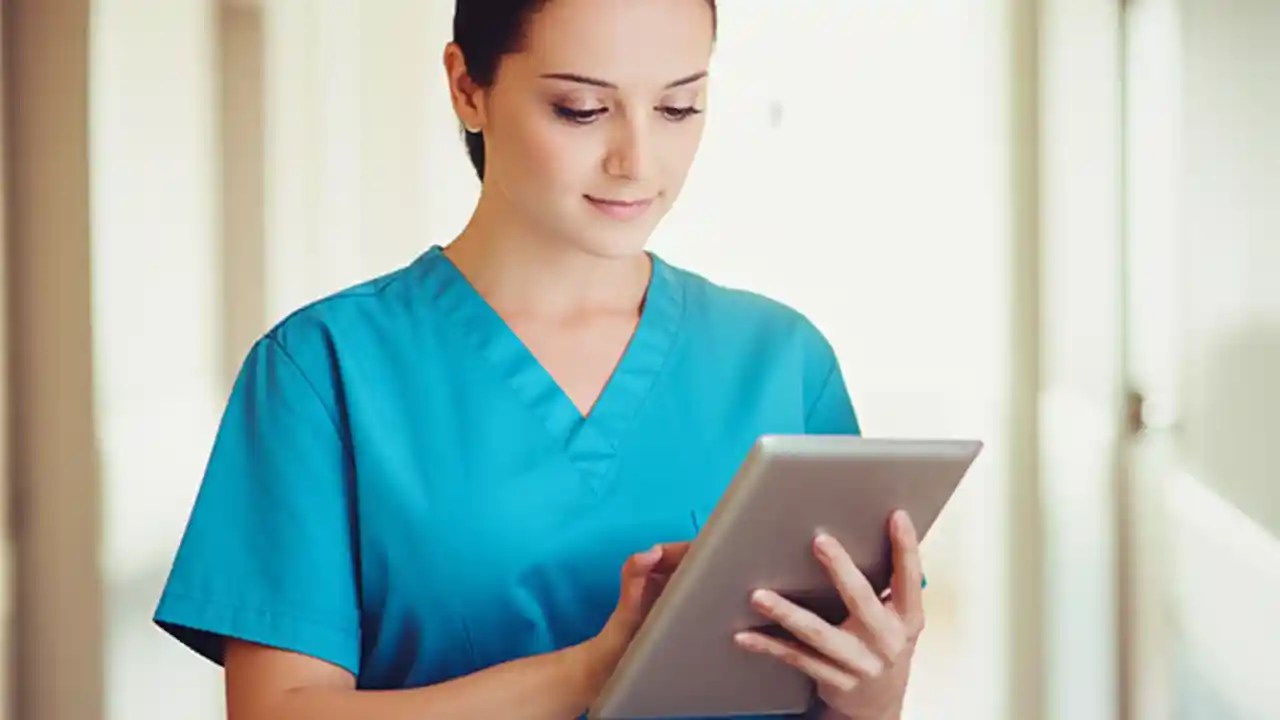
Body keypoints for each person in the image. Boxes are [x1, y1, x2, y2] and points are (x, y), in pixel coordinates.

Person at [153, 1, 926, 718]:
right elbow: (279, 710)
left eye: (678, 106)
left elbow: (833, 692)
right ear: (467, 88)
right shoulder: (323, 370)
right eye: (581, 109)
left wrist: (874, 692)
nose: (637, 159)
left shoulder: (783, 363)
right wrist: (589, 671)